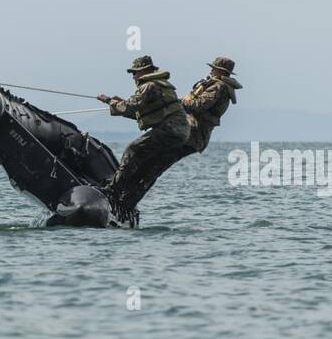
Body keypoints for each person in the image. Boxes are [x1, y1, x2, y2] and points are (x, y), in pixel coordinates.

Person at [96, 55, 190, 225]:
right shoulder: (158, 85)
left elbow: (131, 106)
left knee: (133, 149)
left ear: (144, 71)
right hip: (180, 134)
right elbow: (138, 113)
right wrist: (117, 104)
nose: (133, 77)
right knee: (149, 169)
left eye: (135, 73)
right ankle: (126, 204)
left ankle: (113, 190)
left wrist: (109, 100)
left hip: (169, 130)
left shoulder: (149, 85)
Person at [181, 56, 241, 154]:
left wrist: (178, 103)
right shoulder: (219, 85)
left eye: (214, 68)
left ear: (222, 71)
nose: (211, 70)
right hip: (195, 134)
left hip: (195, 134)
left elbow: (198, 106)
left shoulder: (218, 87)